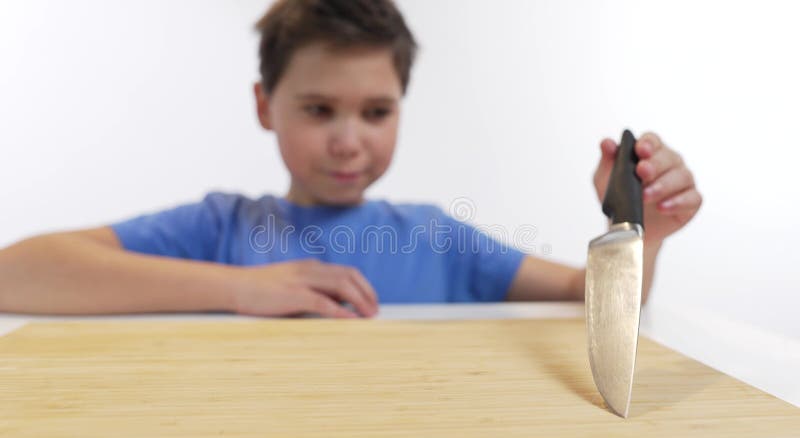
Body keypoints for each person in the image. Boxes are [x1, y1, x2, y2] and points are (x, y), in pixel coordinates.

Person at [0, 0, 702, 319]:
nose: (348, 141)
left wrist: (641, 235)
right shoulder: (220, 229)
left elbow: (599, 296)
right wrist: (237, 288)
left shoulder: (435, 236)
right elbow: (15, 274)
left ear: (402, 104)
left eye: (375, 112)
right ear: (263, 104)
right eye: (317, 109)